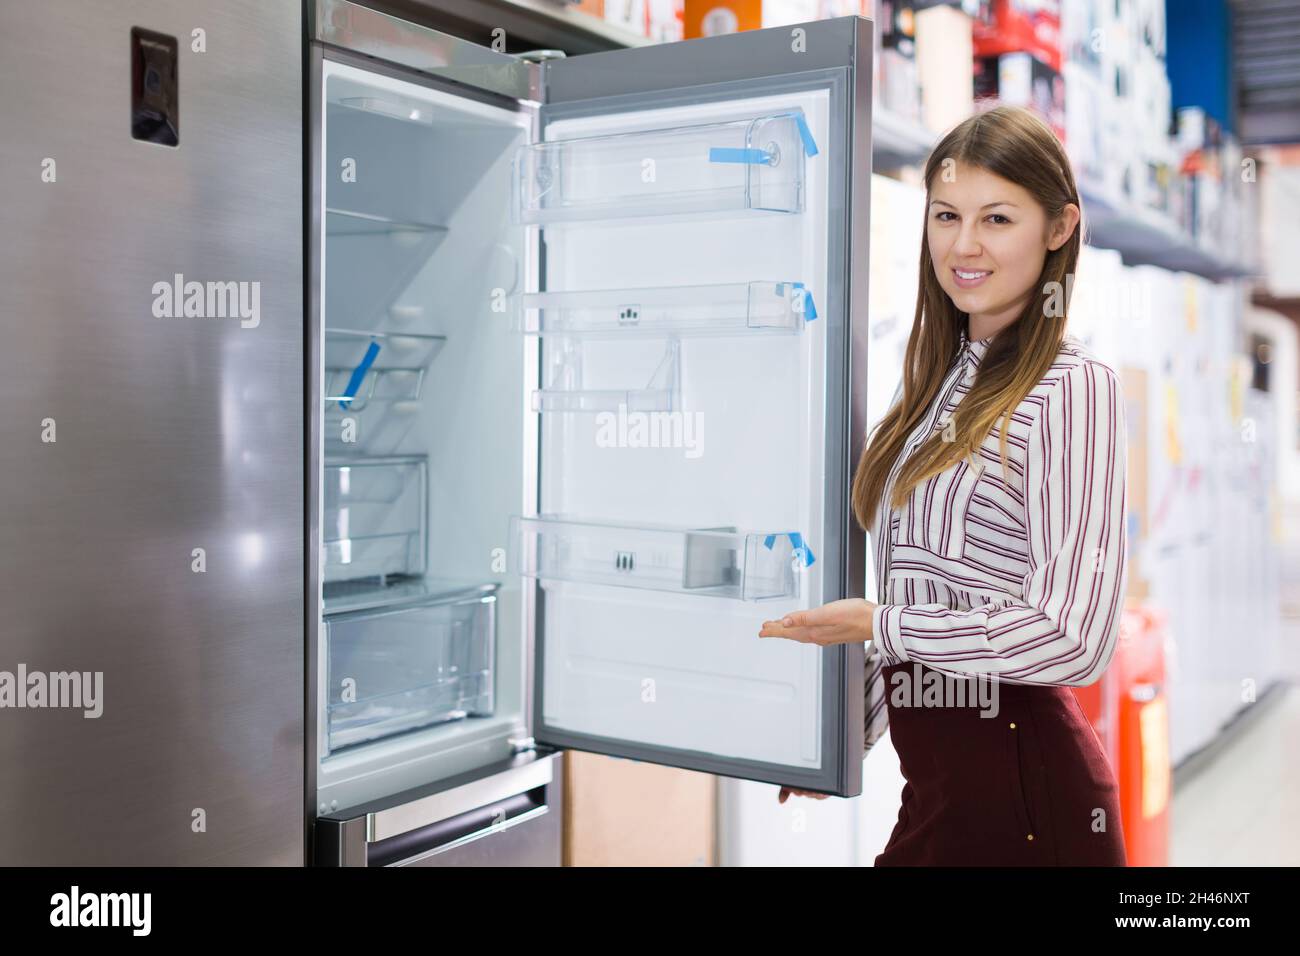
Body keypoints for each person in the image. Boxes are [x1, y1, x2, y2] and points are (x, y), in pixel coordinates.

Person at [758, 105, 1129, 866]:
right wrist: (836, 739)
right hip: (940, 791)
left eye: (998, 219)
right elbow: (918, 598)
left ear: (1059, 228)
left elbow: (1074, 637)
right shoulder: (932, 390)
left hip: (1028, 800)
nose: (965, 245)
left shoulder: (1074, 387)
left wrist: (879, 624)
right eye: (947, 216)